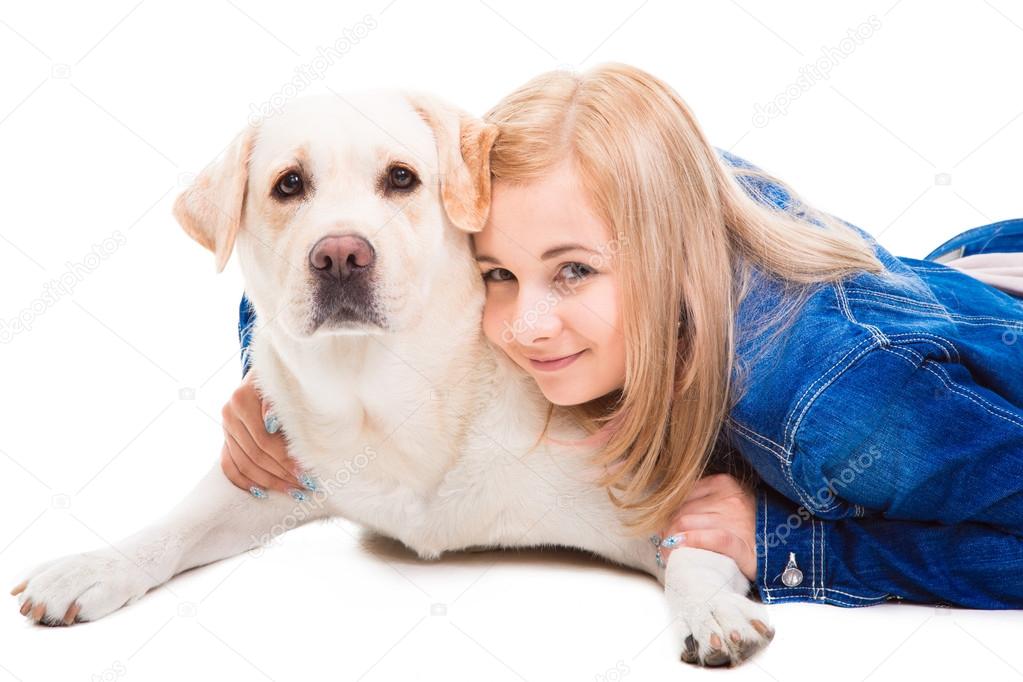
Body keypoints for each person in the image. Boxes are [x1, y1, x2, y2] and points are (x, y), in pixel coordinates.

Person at [221, 63, 1023, 609]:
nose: (525, 325)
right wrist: (274, 369)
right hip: (961, 270)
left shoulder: (838, 406)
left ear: (673, 255)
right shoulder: (614, 188)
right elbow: (389, 253)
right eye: (495, 274)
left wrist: (791, 548)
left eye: (572, 272)